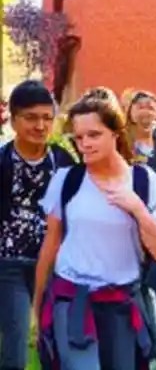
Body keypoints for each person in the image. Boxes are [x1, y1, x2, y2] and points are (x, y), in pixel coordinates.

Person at [33, 93, 156, 369]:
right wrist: (38, 308)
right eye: (78, 137)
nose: (84, 144)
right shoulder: (66, 180)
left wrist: (138, 210)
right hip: (71, 301)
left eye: (93, 135)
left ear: (116, 134)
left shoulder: (144, 182)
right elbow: (51, 245)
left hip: (122, 303)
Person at [0, 81, 76, 370]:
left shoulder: (63, 161)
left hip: (57, 264)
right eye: (31, 118)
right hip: (9, 265)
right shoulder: (4, 161)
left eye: (47, 117)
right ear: (13, 119)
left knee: (59, 344)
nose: (41, 125)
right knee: (16, 342)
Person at [122, 89, 156, 360]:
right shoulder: (122, 142)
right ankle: (148, 338)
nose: (145, 111)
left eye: (151, 106)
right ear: (129, 111)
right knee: (137, 283)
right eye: (139, 106)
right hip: (126, 219)